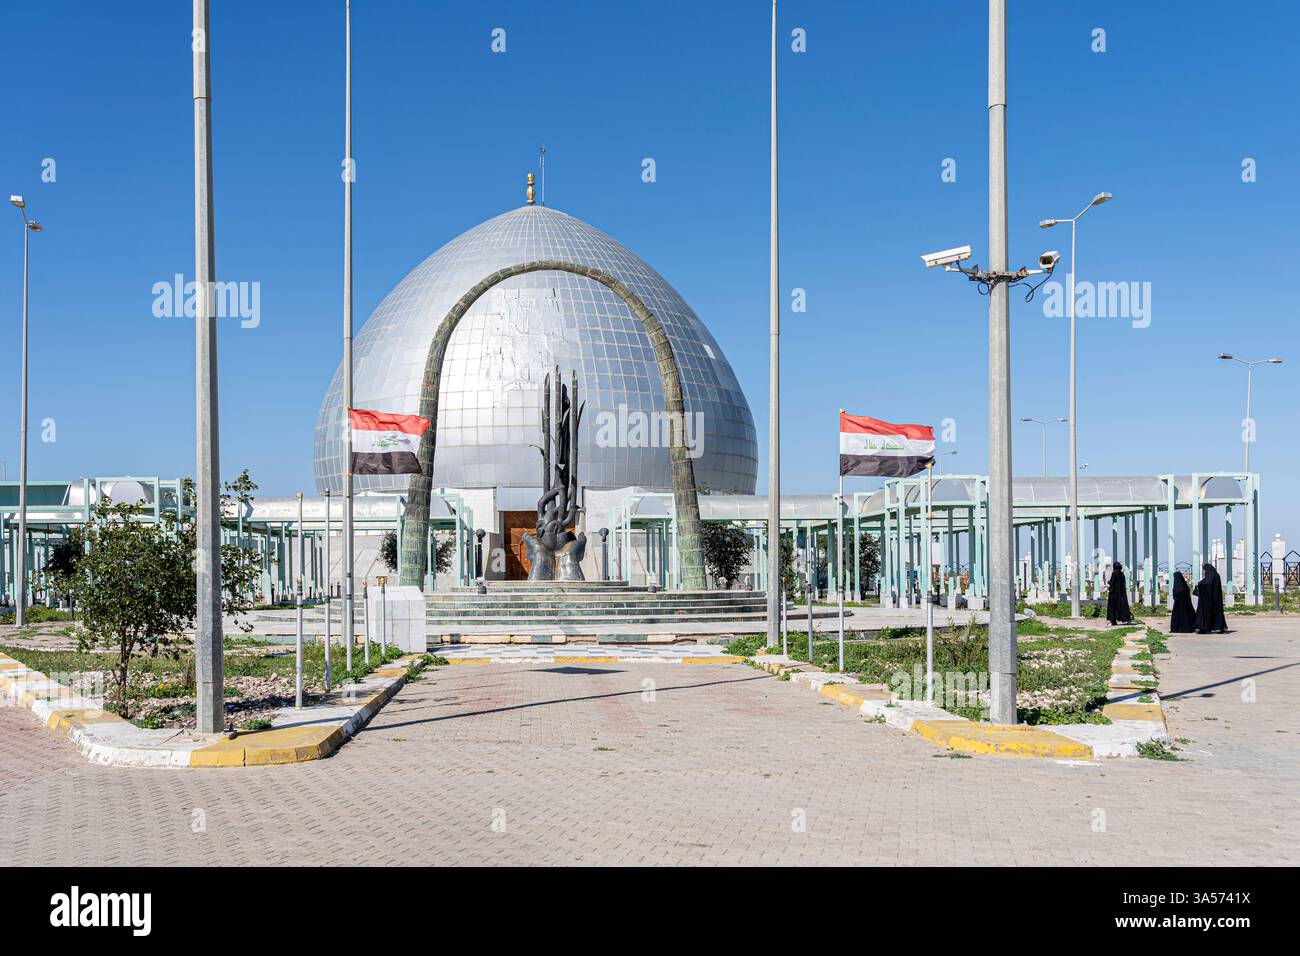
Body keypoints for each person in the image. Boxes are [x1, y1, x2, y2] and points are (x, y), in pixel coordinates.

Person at [1193, 562, 1228, 634]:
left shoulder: (1210, 575)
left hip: (1208, 599)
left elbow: (1207, 583)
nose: (1204, 572)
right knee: (1216, 612)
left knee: (1206, 612)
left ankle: (1205, 627)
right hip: (1216, 599)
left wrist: (1199, 584)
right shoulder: (1216, 575)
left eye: (1204, 570)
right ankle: (1217, 627)